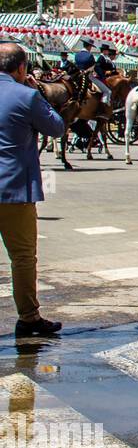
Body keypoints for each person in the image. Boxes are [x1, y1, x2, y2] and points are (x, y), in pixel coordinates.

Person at [0, 42, 65, 337]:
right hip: (14, 190)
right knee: (23, 257)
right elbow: (57, 128)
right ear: (22, 68)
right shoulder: (26, 96)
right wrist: (38, 92)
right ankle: (28, 317)